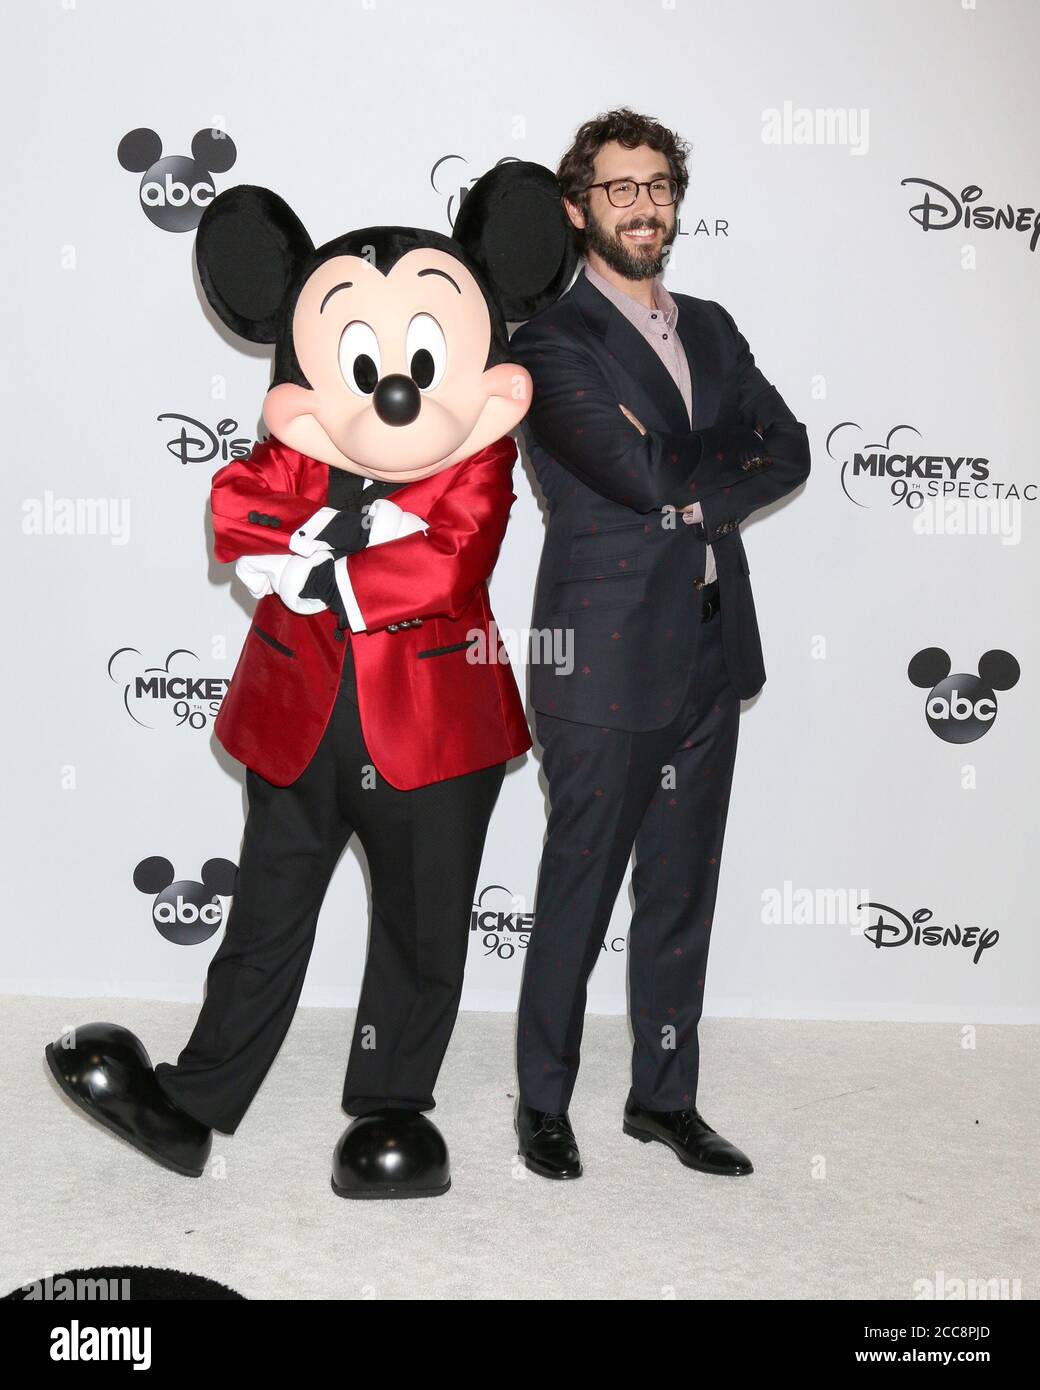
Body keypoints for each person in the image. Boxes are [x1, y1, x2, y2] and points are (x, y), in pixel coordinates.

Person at [509, 108, 811, 1180]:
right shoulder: (547, 342)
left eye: (656, 186)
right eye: (618, 187)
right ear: (575, 206)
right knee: (578, 893)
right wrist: (701, 472)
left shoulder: (716, 328)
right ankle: (542, 1104)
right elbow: (631, 477)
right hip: (594, 657)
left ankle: (661, 1099)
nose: (641, 205)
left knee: (680, 892)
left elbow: (790, 452)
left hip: (706, 647)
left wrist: (684, 487)